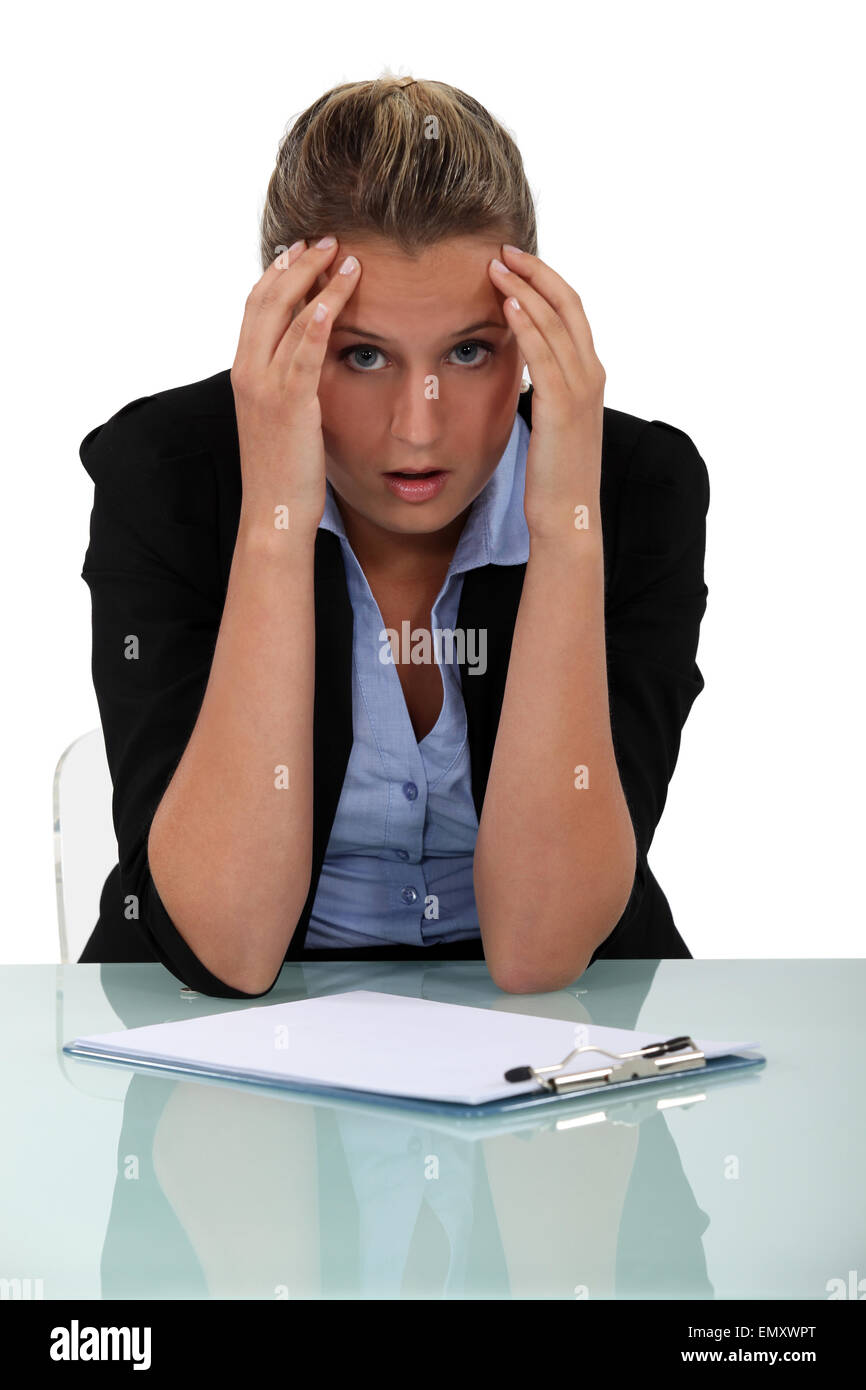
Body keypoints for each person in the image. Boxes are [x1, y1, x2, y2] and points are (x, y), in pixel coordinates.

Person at [78, 73, 710, 999]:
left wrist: (565, 524)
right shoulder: (164, 471)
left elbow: (542, 952)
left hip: (552, 1059)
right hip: (226, 1061)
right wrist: (275, 521)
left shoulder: (634, 489)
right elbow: (229, 946)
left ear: (532, 339)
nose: (419, 428)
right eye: (362, 355)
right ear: (285, 331)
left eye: (470, 352)